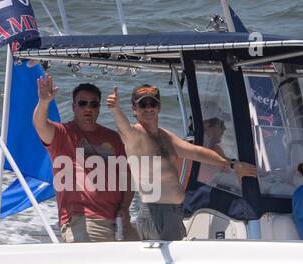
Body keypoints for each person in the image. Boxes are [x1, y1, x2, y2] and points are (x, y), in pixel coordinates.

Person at [108, 84, 257, 241]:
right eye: (142, 105)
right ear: (134, 109)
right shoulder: (136, 136)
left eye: (153, 104)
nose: (148, 109)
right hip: (156, 214)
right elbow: (124, 128)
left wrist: (232, 164)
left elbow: (197, 152)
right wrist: (115, 109)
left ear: (159, 107)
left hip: (176, 212)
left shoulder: (165, 136)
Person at [33, 76, 135, 243]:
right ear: (74, 107)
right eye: (82, 103)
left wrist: (124, 207)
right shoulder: (62, 134)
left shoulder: (113, 138)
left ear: (99, 108)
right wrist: (44, 102)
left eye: (93, 104)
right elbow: (40, 124)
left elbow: (127, 178)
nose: (88, 108)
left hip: (117, 221)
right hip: (83, 220)